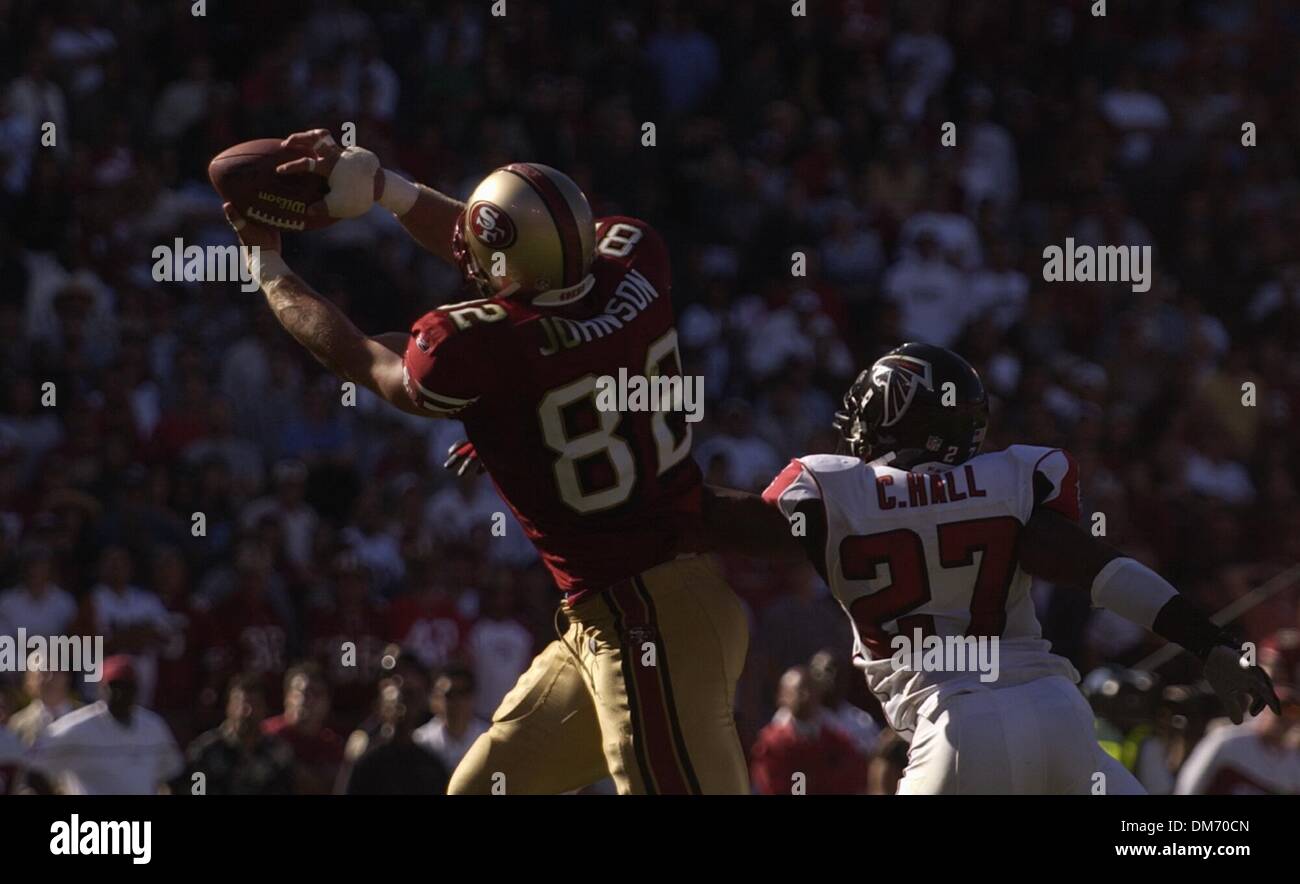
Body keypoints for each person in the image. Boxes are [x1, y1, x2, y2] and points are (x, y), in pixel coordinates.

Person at [222, 128, 749, 794]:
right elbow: (537, 295)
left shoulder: (482, 348)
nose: (464, 256)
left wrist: (267, 267)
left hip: (643, 619)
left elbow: (359, 355)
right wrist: (385, 186)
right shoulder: (634, 258)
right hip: (642, 608)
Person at [702, 343, 1280, 794]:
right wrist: (1209, 642)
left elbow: (725, 523)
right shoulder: (1010, 484)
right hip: (1059, 720)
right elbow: (1105, 571)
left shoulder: (834, 492)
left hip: (955, 727)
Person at [26, 655, 183, 794]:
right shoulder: (79, 726)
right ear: (101, 689)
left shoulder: (153, 726)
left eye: (126, 686)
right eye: (114, 687)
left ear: (136, 690)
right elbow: (33, 769)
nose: (120, 693)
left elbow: (174, 774)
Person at [749, 665, 870, 795]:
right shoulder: (771, 743)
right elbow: (772, 785)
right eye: (799, 692)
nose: (806, 697)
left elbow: (855, 775)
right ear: (782, 697)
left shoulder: (835, 740)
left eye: (811, 690)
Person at [185, 673, 294, 795]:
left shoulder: (278, 753)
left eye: (254, 704)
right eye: (240, 704)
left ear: (264, 709)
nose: (247, 711)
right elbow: (194, 791)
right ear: (228, 706)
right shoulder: (204, 751)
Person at [343, 676, 448, 795]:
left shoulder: (431, 767)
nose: (402, 711)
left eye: (409, 702)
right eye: (394, 706)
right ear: (381, 708)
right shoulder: (366, 760)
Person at [261, 663, 343, 794]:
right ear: (286, 697)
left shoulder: (331, 744)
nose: (305, 699)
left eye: (315, 693)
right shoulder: (266, 735)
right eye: (299, 693)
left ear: (327, 703)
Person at [413, 664, 488, 773]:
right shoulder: (421, 741)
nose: (457, 701)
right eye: (449, 695)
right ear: (434, 700)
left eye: (463, 692)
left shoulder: (489, 739)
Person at [6, 650, 79, 746]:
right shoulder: (18, 724)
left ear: (67, 676)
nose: (50, 678)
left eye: (55, 670)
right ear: (29, 682)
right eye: (42, 673)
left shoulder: (89, 717)